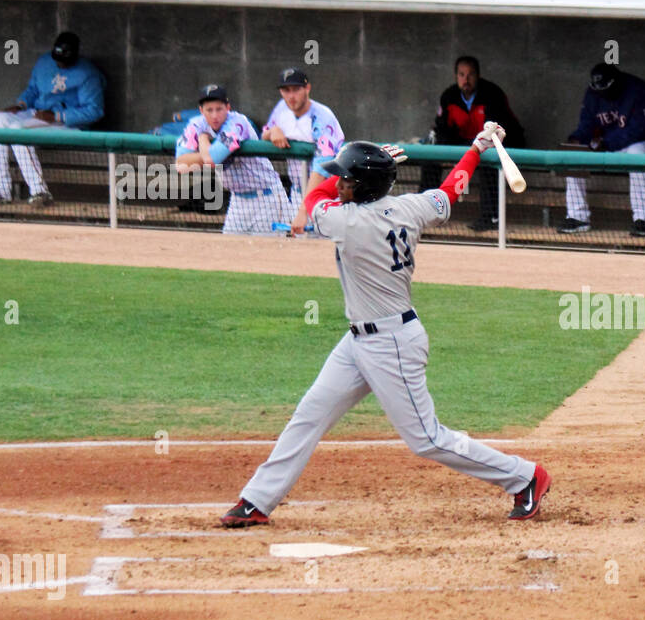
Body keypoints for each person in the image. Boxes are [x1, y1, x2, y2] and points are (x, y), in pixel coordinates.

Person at [220, 127, 551, 530]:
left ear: (363, 188)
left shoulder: (348, 222)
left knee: (426, 439)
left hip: (391, 344)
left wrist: (378, 162)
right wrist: (476, 148)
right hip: (359, 341)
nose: (339, 183)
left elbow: (312, 200)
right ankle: (257, 499)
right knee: (310, 413)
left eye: (346, 178)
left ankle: (525, 477)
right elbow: (451, 190)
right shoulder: (412, 207)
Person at [0, 31, 104, 208]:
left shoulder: (87, 74)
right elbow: (33, 90)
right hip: (38, 115)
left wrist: (57, 116)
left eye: (64, 61)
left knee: (17, 131)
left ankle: (39, 191)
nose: (59, 63)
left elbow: (94, 111)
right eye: (57, 59)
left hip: (68, 124)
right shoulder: (44, 62)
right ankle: (0, 189)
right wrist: (21, 105)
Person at [420, 55, 526, 231]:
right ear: (456, 76)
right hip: (464, 146)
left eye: (470, 75)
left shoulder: (492, 94)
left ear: (478, 75)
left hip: (496, 146)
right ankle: (426, 213)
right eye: (461, 75)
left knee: (488, 166)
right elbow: (442, 129)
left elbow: (502, 129)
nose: (466, 79)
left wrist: (474, 148)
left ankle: (490, 217)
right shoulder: (449, 96)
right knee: (430, 162)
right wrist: (449, 153)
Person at [174, 83, 296, 234]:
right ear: (201, 110)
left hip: (267, 197)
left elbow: (212, 160)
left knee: (267, 254)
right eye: (209, 110)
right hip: (237, 201)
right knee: (229, 252)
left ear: (228, 107)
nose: (214, 115)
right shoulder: (196, 124)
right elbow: (180, 165)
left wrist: (203, 140)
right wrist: (205, 152)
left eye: (219, 109)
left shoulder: (237, 123)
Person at [560, 63, 645, 237]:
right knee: (574, 153)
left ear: (616, 82)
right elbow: (586, 125)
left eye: (605, 89)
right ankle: (577, 216)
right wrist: (577, 138)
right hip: (609, 145)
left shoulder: (638, 89)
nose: (601, 93)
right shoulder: (592, 93)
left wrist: (606, 143)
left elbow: (641, 130)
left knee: (636, 153)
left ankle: (643, 219)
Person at [261, 67, 345, 214]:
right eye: (286, 90)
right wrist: (272, 132)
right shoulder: (281, 108)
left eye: (296, 89)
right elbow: (264, 134)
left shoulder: (322, 116)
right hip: (297, 192)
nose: (291, 95)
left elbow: (322, 166)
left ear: (307, 88)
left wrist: (304, 210)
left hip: (328, 195)